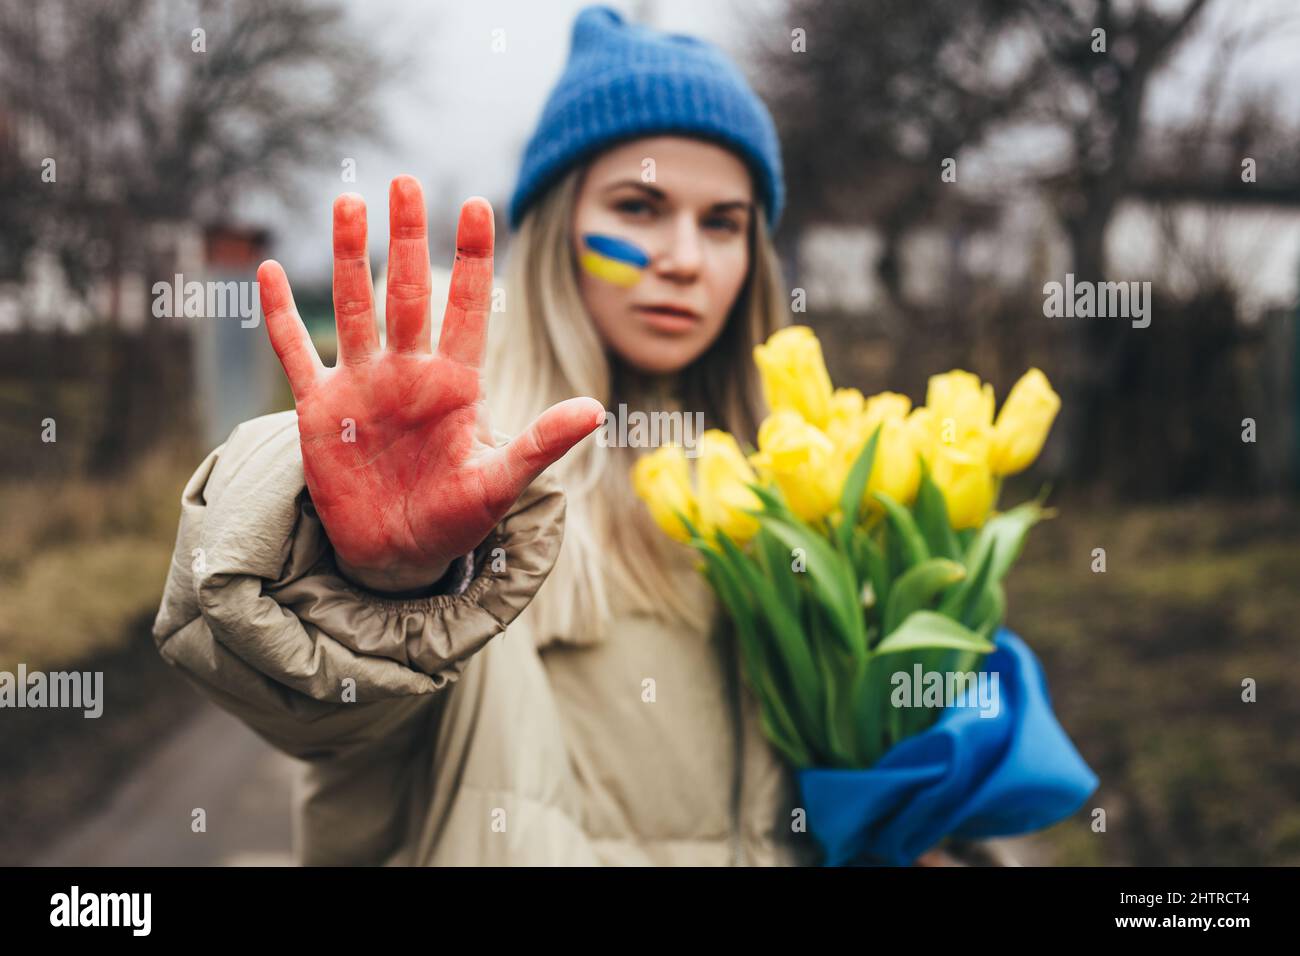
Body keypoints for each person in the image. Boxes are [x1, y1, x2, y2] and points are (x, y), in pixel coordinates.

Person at [153, 4, 1012, 867]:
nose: (683, 256)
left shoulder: (806, 490)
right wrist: (386, 580)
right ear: (561, 222)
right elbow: (322, 709)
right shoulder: (482, 509)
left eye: (723, 221)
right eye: (640, 207)